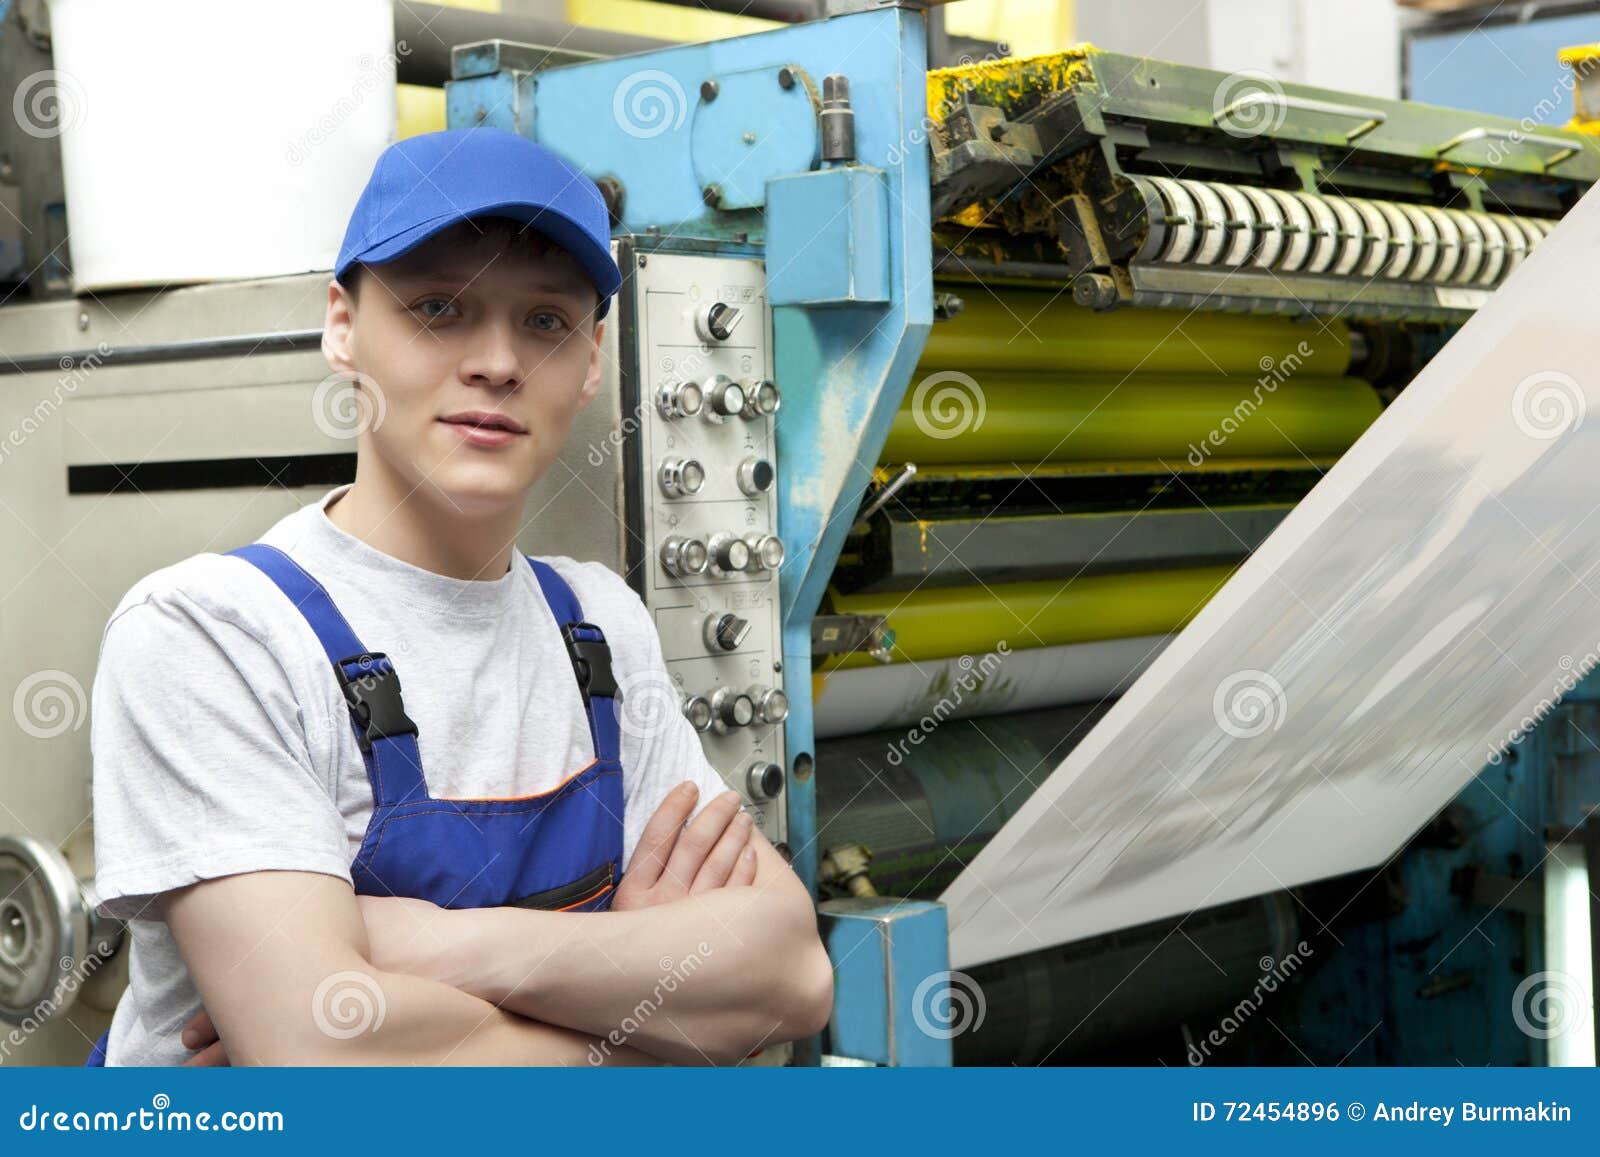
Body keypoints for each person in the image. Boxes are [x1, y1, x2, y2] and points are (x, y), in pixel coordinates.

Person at [85, 127, 833, 1066]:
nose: (497, 362)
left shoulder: (600, 627)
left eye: (546, 321)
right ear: (342, 325)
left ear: (592, 359)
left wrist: (429, 945)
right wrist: (644, 1016)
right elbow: (331, 1065)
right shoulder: (214, 634)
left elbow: (792, 978)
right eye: (439, 307)